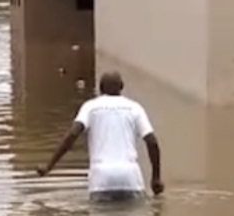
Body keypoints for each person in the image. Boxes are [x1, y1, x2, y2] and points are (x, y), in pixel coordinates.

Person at [36, 71, 163, 201]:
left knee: (100, 214)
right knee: (132, 213)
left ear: (100, 89)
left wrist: (49, 166)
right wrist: (156, 178)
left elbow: (73, 134)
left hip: (101, 180)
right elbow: (152, 142)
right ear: (122, 86)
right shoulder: (135, 108)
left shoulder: (90, 107)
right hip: (130, 179)